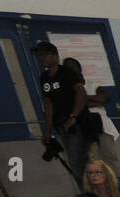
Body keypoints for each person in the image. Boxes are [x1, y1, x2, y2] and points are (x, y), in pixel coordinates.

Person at [33, 42, 94, 188]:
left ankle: (90, 191)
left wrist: (73, 116)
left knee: (78, 160)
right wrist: (47, 130)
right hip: (61, 125)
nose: (41, 58)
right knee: (74, 161)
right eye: (39, 55)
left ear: (55, 55)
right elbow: (48, 104)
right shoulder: (44, 78)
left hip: (76, 124)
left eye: (44, 54)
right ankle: (87, 190)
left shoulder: (67, 73)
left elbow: (81, 94)